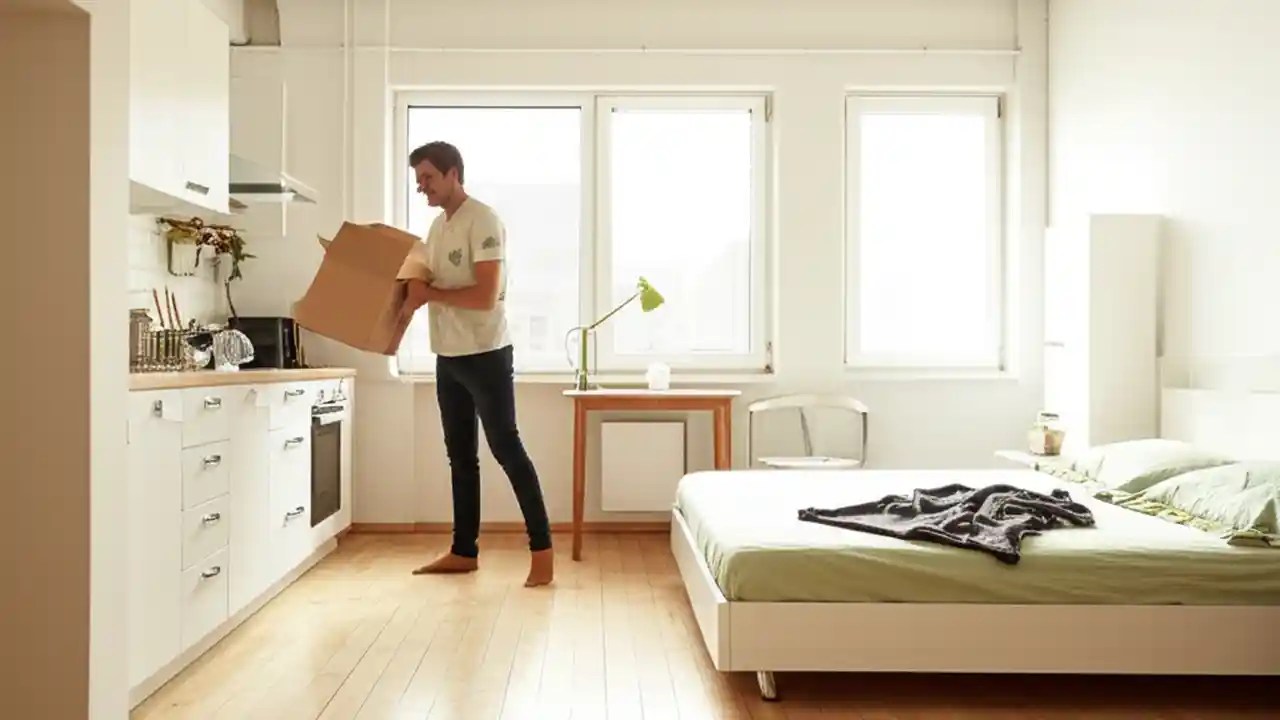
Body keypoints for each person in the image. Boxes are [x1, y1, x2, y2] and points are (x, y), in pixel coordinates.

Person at [399, 141, 554, 587]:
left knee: (507, 449)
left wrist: (429, 295)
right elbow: (423, 281)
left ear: (453, 174)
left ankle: (542, 551)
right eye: (418, 179)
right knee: (460, 457)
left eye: (427, 177)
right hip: (447, 356)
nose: (421, 186)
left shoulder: (483, 220)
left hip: (485, 354)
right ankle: (463, 551)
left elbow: (485, 296)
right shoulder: (436, 227)